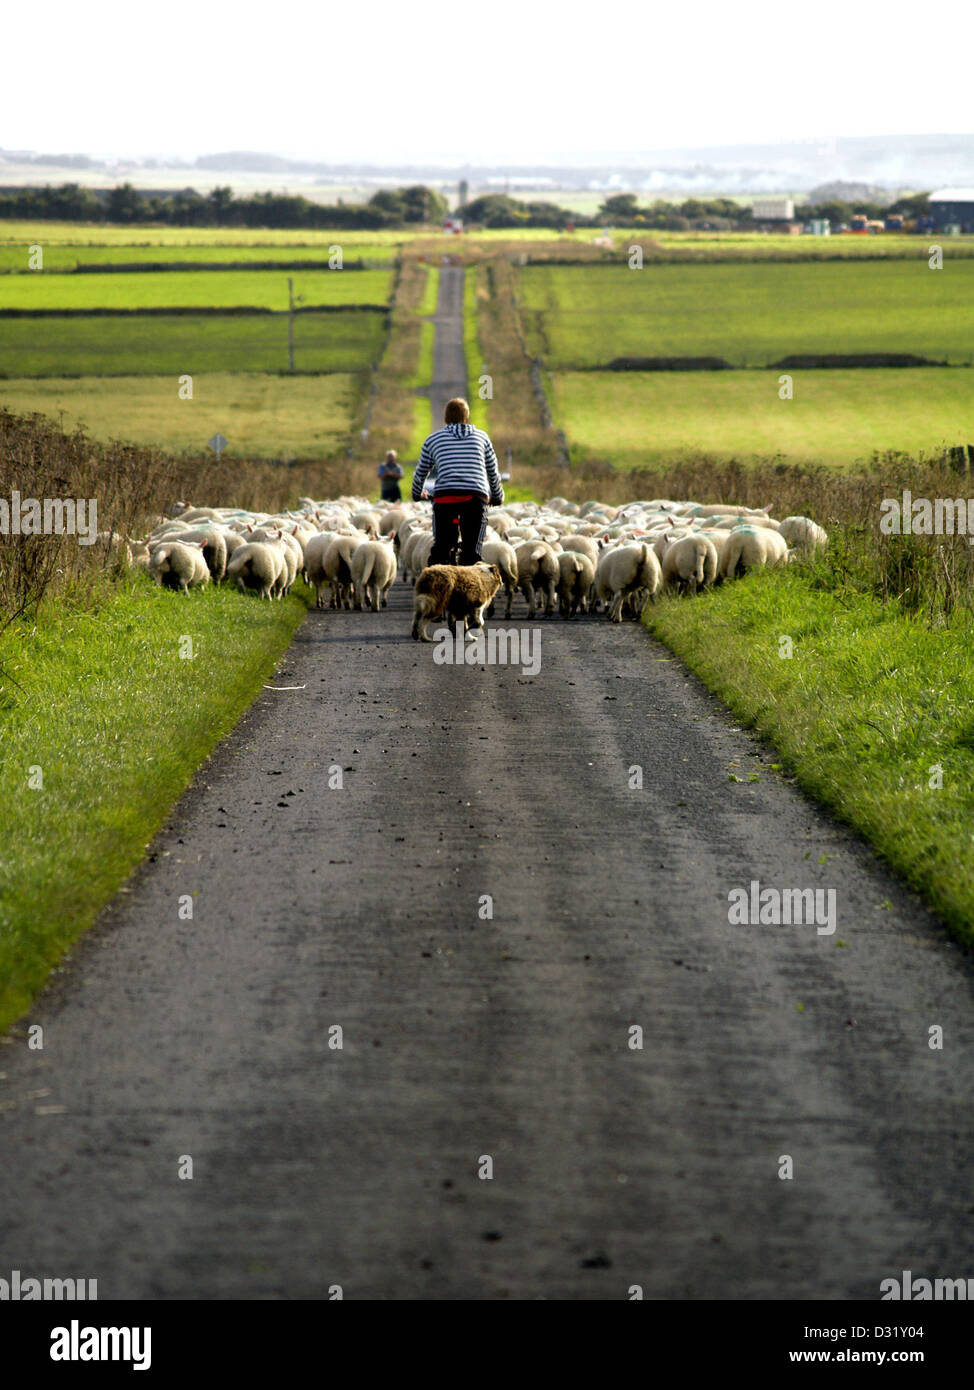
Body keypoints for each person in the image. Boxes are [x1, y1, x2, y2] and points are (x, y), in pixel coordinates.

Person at [412, 398, 504, 565]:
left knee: (441, 549)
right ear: (466, 417)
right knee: (472, 552)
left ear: (446, 418)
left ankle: (437, 582)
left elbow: (420, 472)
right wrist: (497, 496)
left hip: (445, 498)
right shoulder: (482, 438)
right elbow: (492, 471)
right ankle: (470, 582)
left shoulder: (433, 439)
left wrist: (417, 493)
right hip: (475, 498)